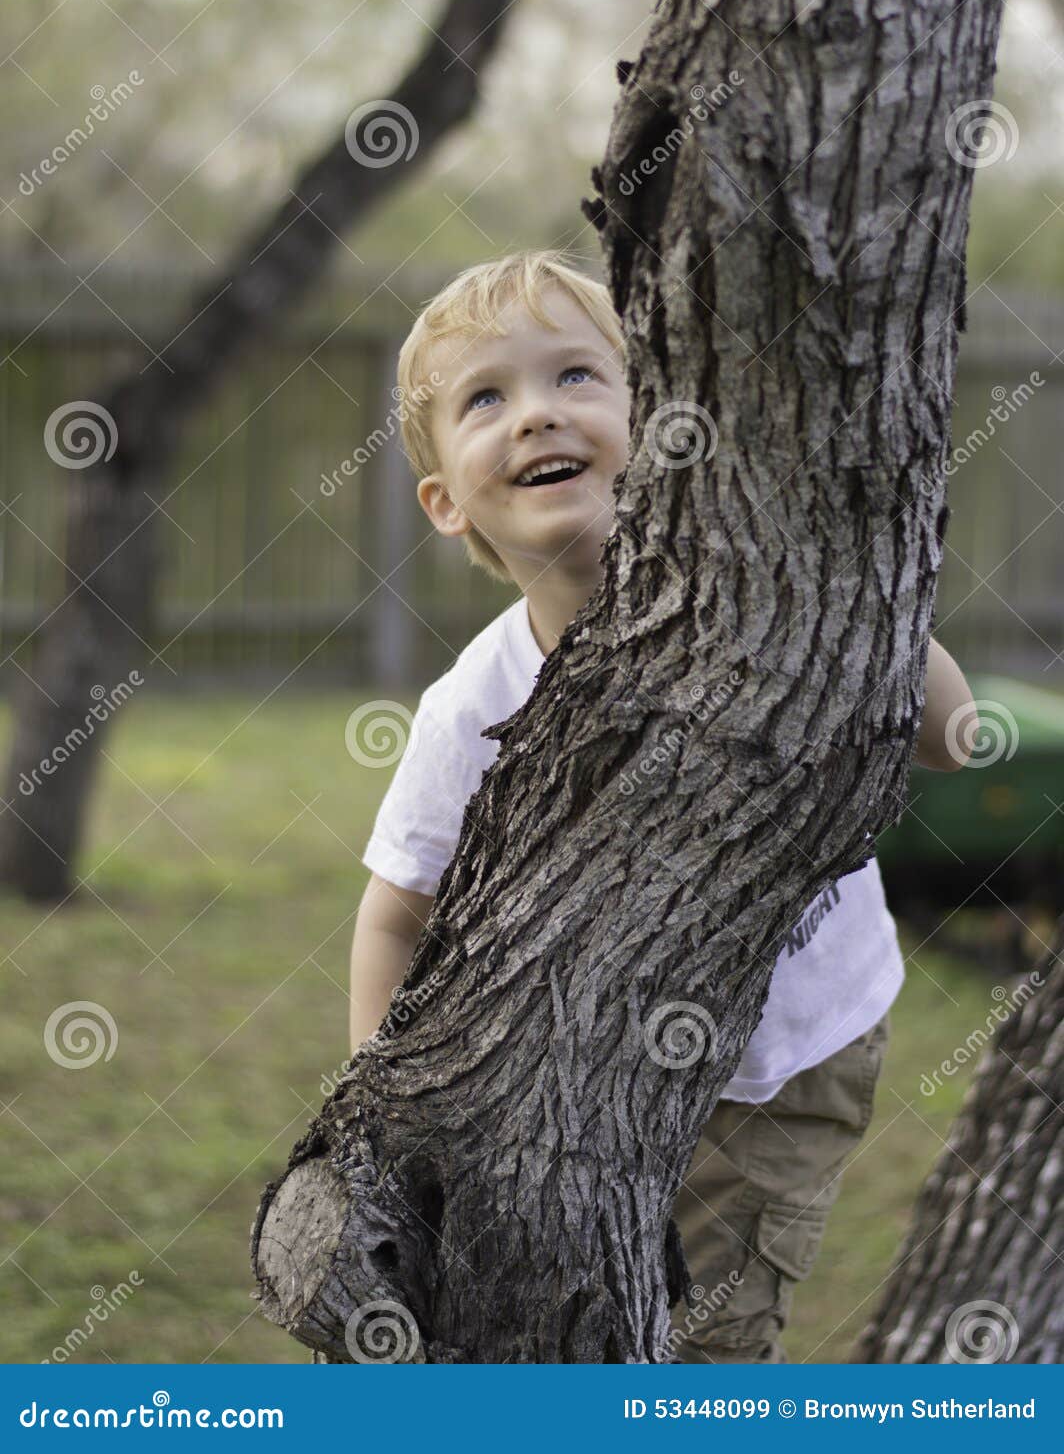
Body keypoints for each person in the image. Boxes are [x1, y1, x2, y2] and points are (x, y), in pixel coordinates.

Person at [348, 250, 977, 1363]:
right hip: (584, 1079)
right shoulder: (474, 708)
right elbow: (397, 906)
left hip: (775, 1062)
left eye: (577, 377)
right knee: (561, 1323)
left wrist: (851, 589)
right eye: (486, 398)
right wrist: (382, 1121)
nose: (537, 413)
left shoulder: (770, 601)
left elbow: (942, 738)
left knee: (702, 1341)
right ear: (443, 499)